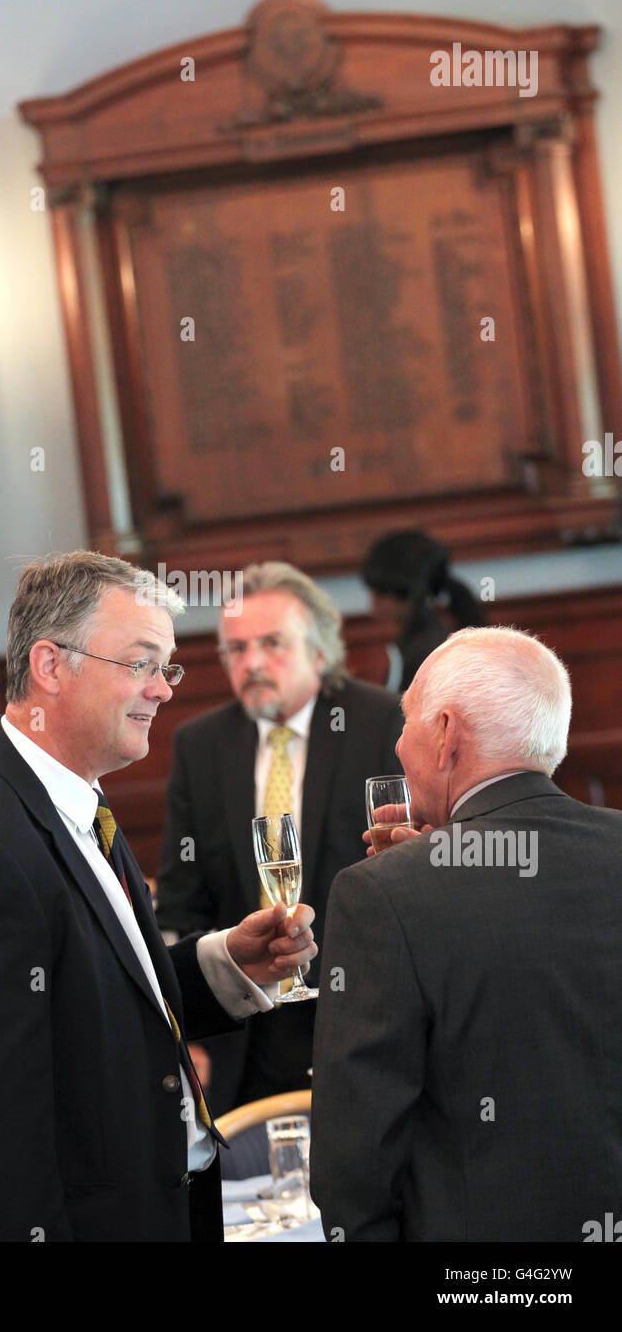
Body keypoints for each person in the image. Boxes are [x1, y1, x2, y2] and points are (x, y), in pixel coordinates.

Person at [0, 551, 316, 1242]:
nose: (163, 689)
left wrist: (222, 965)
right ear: (50, 666)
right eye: (141, 663)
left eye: (168, 667)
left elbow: (91, 999)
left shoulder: (73, 799)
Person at [310, 626, 622, 1242]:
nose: (397, 744)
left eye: (406, 723)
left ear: (446, 734)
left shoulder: (382, 894)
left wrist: (421, 876)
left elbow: (357, 1159)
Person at [156, 561, 403, 1114]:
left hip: (365, 1015)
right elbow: (179, 897)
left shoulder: (382, 722)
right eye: (237, 649)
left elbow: (408, 872)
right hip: (246, 1030)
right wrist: (189, 1028)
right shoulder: (202, 744)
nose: (254, 663)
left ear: (319, 648)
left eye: (272, 644)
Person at [360, 529, 486, 692]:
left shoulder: (425, 652)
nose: (372, 604)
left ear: (410, 595)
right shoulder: (425, 638)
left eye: (381, 594)